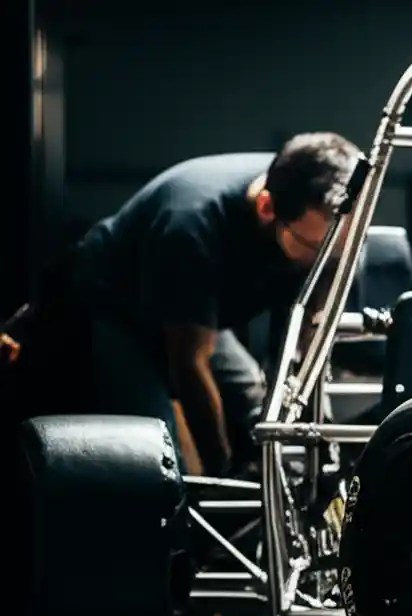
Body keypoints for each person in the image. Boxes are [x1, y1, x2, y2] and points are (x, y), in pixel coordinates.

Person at [0, 131, 361, 476]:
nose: (324, 260)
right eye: (315, 249)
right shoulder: (191, 226)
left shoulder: (310, 189)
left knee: (253, 404)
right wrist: (222, 473)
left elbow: (305, 328)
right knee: (157, 451)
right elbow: (188, 365)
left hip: (197, 309)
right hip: (116, 307)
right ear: (266, 208)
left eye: (338, 248)